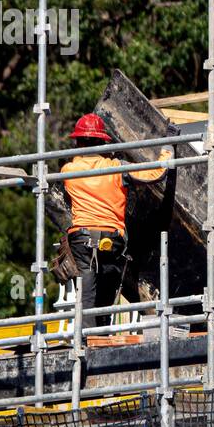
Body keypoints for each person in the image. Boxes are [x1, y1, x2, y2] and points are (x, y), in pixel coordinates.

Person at [59, 113, 172, 328]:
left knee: (87, 298)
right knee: (105, 300)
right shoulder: (116, 168)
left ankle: (86, 347)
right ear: (103, 142)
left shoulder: (68, 171)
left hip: (82, 240)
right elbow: (158, 173)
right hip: (112, 241)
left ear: (78, 142)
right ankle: (99, 341)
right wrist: (168, 144)